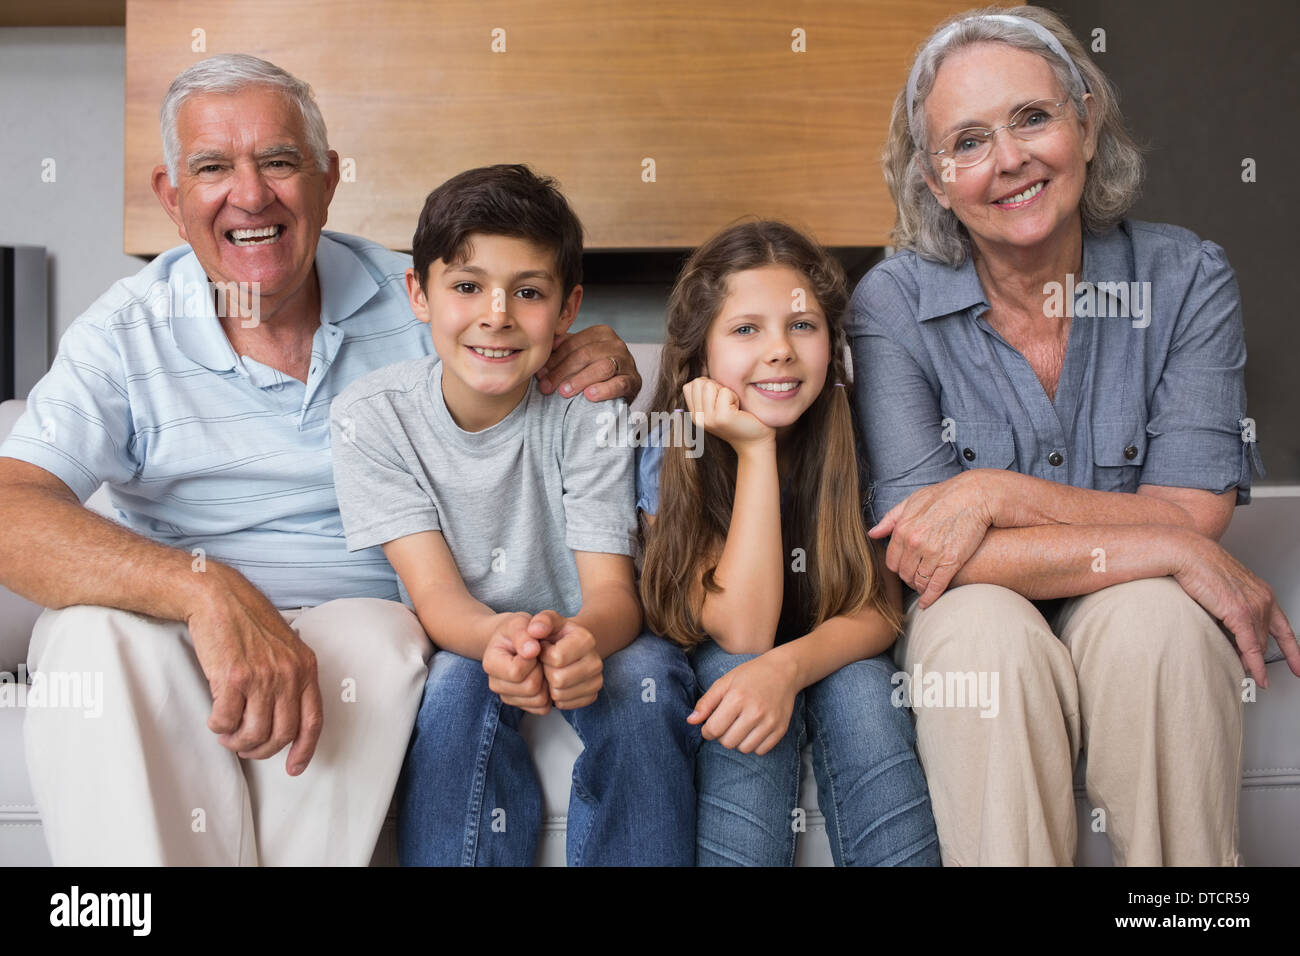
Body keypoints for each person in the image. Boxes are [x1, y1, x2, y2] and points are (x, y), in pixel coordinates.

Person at [0, 55, 639, 865]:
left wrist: (594, 354)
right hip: (171, 624)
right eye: (212, 168)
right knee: (88, 639)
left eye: (278, 161)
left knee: (379, 640)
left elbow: (519, 357)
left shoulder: (423, 304)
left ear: (329, 180)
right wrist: (204, 591)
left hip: (361, 623)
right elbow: (10, 507)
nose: (251, 195)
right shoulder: (123, 332)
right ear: (170, 196)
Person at [850, 5, 1300, 865]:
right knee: (982, 629)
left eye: (1032, 117)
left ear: (1086, 124)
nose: (1009, 160)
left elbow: (1192, 518)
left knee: (1158, 624)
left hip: (1135, 605)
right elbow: (925, 550)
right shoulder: (893, 304)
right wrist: (1166, 544)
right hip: (976, 615)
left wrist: (994, 495)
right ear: (935, 181)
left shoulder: (1186, 277)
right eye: (968, 142)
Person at [330, 165, 698, 866]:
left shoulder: (588, 410)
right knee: (454, 691)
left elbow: (615, 597)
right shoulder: (371, 421)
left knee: (645, 682)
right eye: (467, 286)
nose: (496, 314)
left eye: (527, 293)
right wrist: (500, 637)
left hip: (594, 632)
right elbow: (436, 595)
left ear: (566, 311)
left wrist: (581, 640)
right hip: (467, 635)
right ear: (419, 294)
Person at [636, 220, 940, 866]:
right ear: (700, 356)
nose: (780, 350)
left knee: (862, 689)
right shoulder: (667, 448)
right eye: (747, 330)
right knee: (736, 676)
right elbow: (744, 632)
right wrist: (754, 449)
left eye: (802, 325)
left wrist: (790, 668)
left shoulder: (854, 431)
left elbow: (879, 609)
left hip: (827, 652)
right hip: (728, 653)